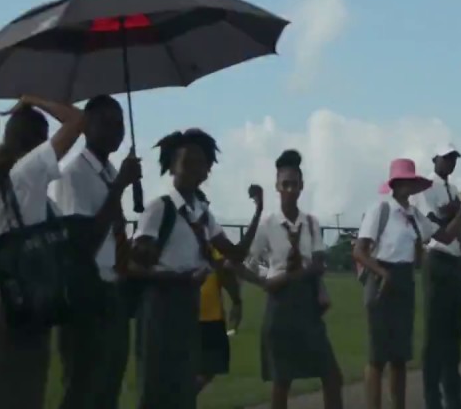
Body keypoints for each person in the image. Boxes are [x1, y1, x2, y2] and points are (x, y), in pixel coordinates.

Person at [0, 95, 96, 409]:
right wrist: (33, 98)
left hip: (9, 302)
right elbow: (78, 121)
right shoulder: (26, 174)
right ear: (38, 141)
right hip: (25, 304)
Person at [128, 129, 263, 409]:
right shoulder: (159, 209)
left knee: (182, 386)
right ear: (171, 166)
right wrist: (174, 277)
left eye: (201, 162)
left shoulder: (201, 212)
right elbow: (132, 266)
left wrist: (258, 211)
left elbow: (235, 253)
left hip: (188, 304)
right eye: (187, 161)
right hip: (159, 303)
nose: (195, 168)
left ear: (207, 170)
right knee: (156, 387)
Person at [354, 158, 461, 409]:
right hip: (381, 280)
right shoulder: (382, 209)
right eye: (404, 182)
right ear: (395, 184)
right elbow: (359, 251)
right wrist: (382, 273)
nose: (408, 186)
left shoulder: (413, 215)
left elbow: (445, 235)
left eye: (411, 182)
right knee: (377, 358)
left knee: (399, 357)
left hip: (404, 280)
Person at [234, 149, 343, 409]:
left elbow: (318, 262)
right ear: (277, 187)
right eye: (285, 184)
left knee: (331, 375)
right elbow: (240, 263)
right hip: (280, 302)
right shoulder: (268, 224)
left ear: (302, 186)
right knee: (282, 380)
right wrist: (265, 281)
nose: (290, 189)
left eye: (295, 184)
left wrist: (308, 279)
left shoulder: (312, 223)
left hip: (306, 303)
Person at [50, 94, 135, 409]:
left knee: (109, 386)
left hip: (112, 291)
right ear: (86, 127)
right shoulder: (75, 174)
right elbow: (82, 244)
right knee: (83, 390)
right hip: (85, 296)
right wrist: (119, 189)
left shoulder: (109, 170)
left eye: (120, 124)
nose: (116, 130)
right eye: (107, 123)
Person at [412, 144, 461, 409]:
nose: (450, 163)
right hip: (437, 256)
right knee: (435, 334)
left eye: (453, 159)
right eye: (446, 159)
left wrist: (455, 209)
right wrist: (454, 210)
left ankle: (453, 398)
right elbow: (434, 220)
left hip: (457, 258)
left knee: (454, 332)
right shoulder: (426, 188)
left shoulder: (454, 190)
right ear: (435, 159)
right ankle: (433, 399)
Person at [195, 207, 241, 395]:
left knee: (206, 369)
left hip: (207, 316)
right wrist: (237, 301)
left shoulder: (212, 248)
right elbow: (227, 271)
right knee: (204, 370)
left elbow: (226, 272)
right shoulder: (210, 247)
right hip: (206, 317)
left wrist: (236, 301)